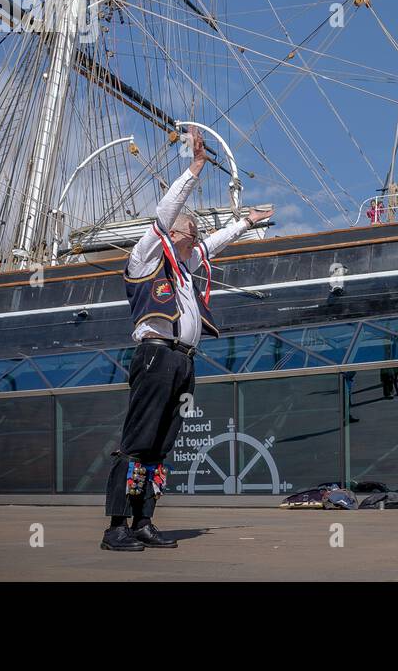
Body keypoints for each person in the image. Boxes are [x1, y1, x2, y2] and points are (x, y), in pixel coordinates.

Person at [103, 129, 272, 551]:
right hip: (155, 358)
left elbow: (212, 246)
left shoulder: (185, 266)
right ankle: (116, 527)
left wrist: (243, 223)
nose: (196, 236)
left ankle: (144, 521)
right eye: (191, 231)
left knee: (161, 445)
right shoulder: (145, 257)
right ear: (172, 234)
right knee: (138, 441)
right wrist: (195, 168)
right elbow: (166, 214)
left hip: (182, 363)